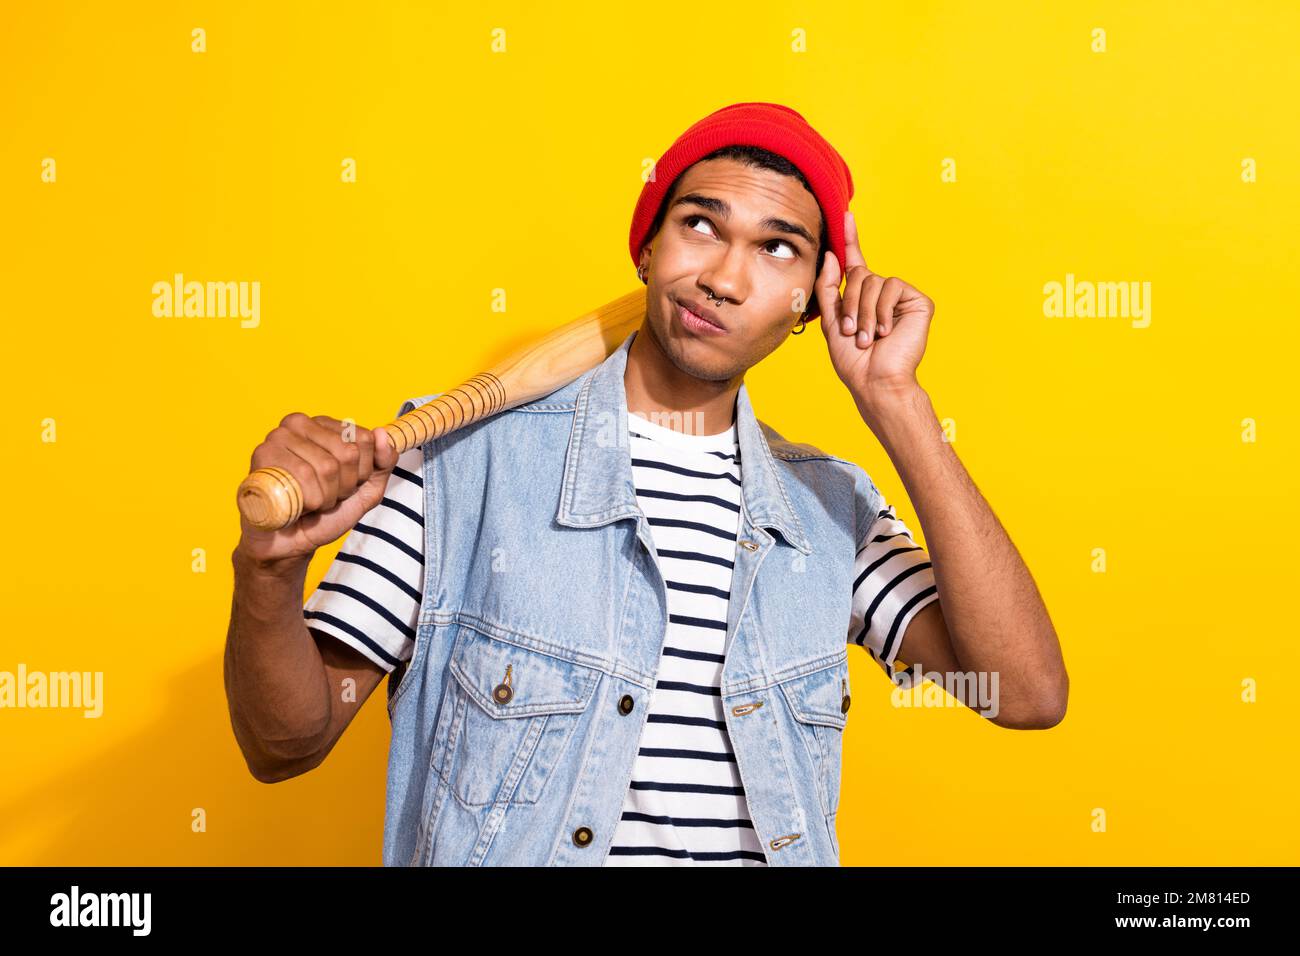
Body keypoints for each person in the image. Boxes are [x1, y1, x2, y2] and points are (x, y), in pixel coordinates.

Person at [224, 102, 1068, 867]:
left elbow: (1024, 694)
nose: (726, 278)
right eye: (701, 225)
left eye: (778, 248)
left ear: (813, 302)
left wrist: (896, 401)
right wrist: (268, 571)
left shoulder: (830, 514)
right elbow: (284, 746)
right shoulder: (454, 467)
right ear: (648, 250)